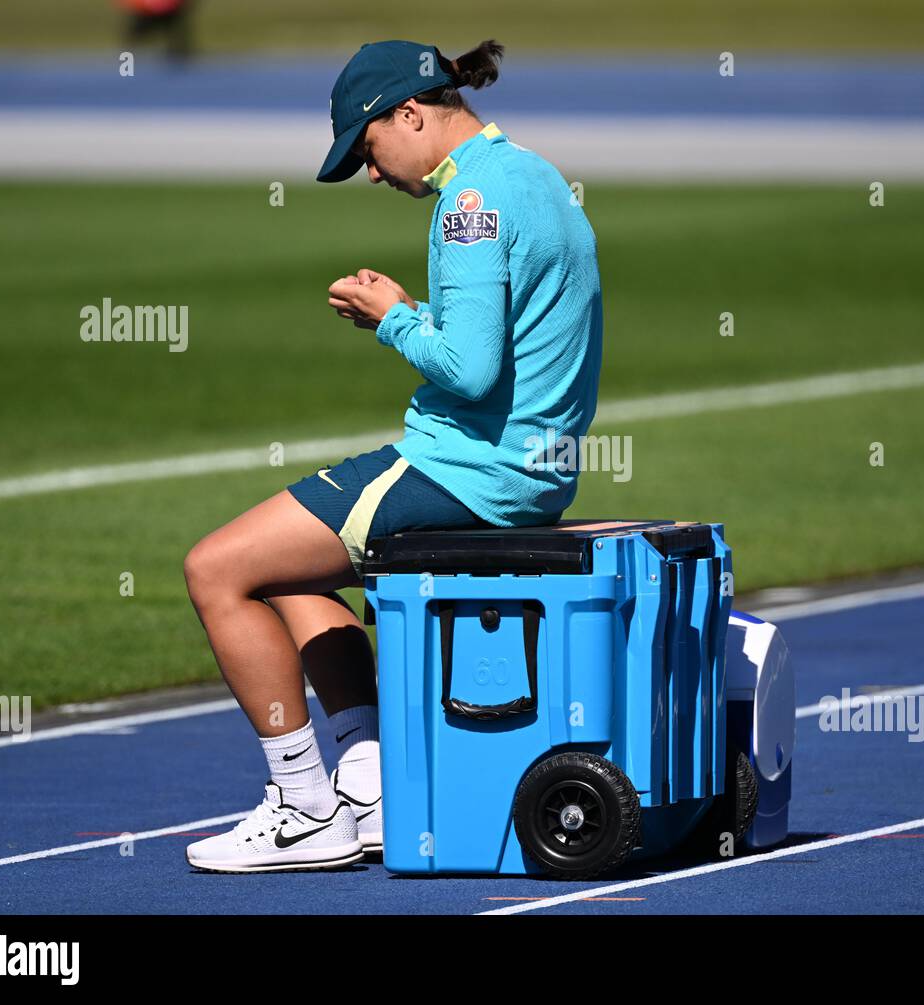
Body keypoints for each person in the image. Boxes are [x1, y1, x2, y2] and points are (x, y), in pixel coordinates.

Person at [183, 38, 603, 872]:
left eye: (368, 149)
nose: (373, 175)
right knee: (290, 567)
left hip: (470, 470)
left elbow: (472, 369)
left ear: (410, 113)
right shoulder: (537, 174)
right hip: (529, 468)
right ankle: (370, 784)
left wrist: (394, 316)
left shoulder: (469, 202)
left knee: (216, 568)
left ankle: (304, 807)